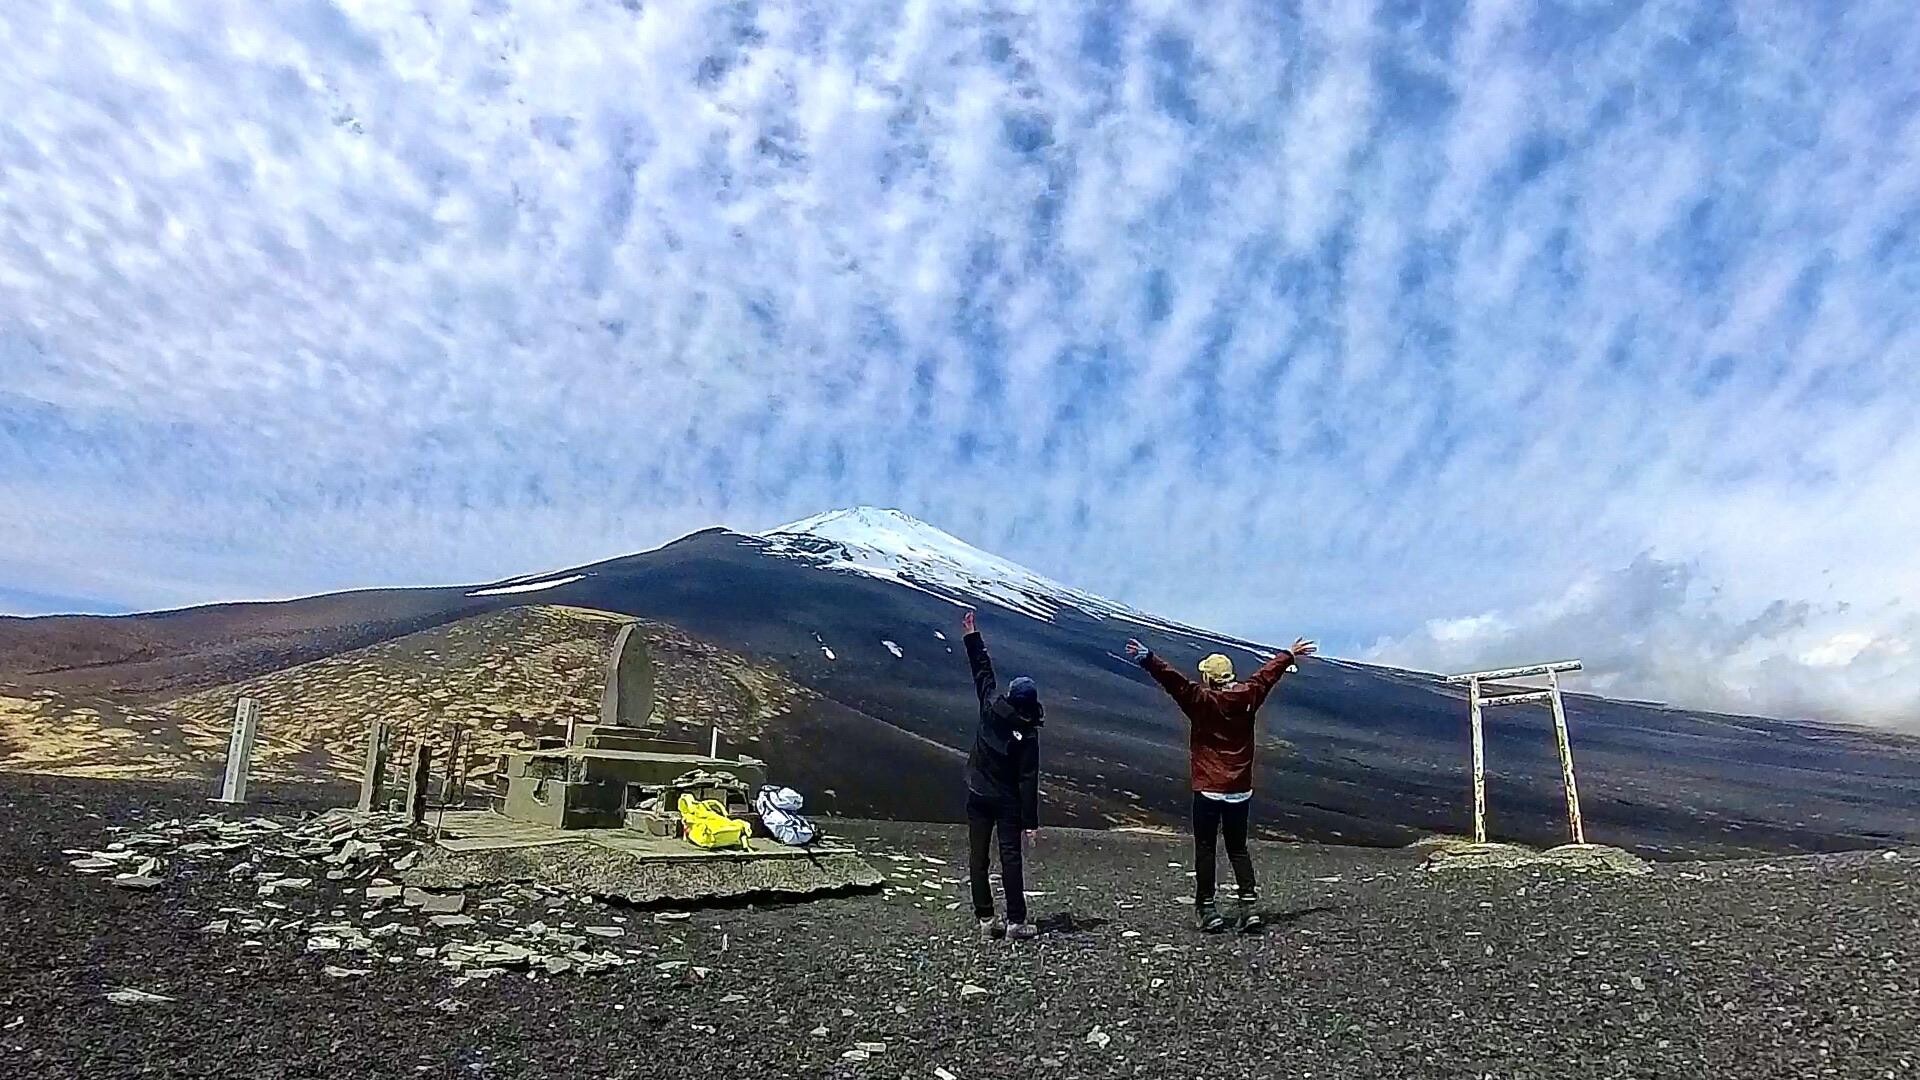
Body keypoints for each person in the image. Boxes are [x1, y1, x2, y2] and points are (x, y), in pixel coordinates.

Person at [1125, 635, 1317, 933]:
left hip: (1208, 789)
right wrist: (1288, 656)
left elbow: (1175, 682)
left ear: (1208, 679)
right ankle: (1249, 904)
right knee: (1238, 847)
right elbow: (1265, 677)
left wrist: (1148, 659)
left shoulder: (1201, 700)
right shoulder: (1249, 696)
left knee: (1205, 847)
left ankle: (1207, 909)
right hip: (1240, 789)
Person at [961, 609, 1044, 941]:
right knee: (1010, 857)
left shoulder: (990, 707)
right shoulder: (1029, 734)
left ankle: (985, 919)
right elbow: (1028, 779)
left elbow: (982, 672)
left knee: (977, 855)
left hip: (977, 793)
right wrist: (1031, 822)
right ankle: (1015, 921)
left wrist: (972, 636)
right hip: (1007, 801)